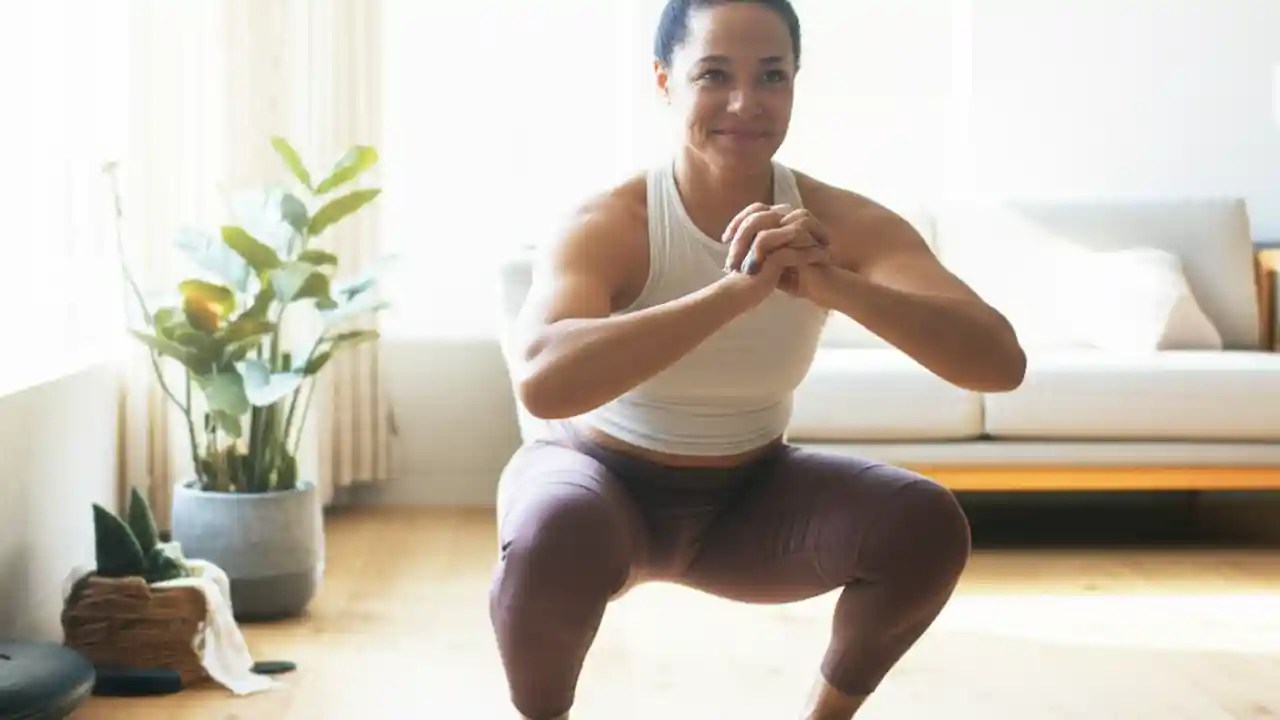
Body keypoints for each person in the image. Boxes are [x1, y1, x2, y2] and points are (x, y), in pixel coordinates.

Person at [490, 1, 1026, 718]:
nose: (745, 103)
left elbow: (998, 362)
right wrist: (733, 295)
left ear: (795, 84)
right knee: (552, 531)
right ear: (664, 80)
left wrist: (833, 283)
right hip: (597, 484)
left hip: (748, 499)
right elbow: (543, 381)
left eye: (771, 76)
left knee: (924, 525)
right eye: (714, 74)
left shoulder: (841, 222)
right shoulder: (611, 221)